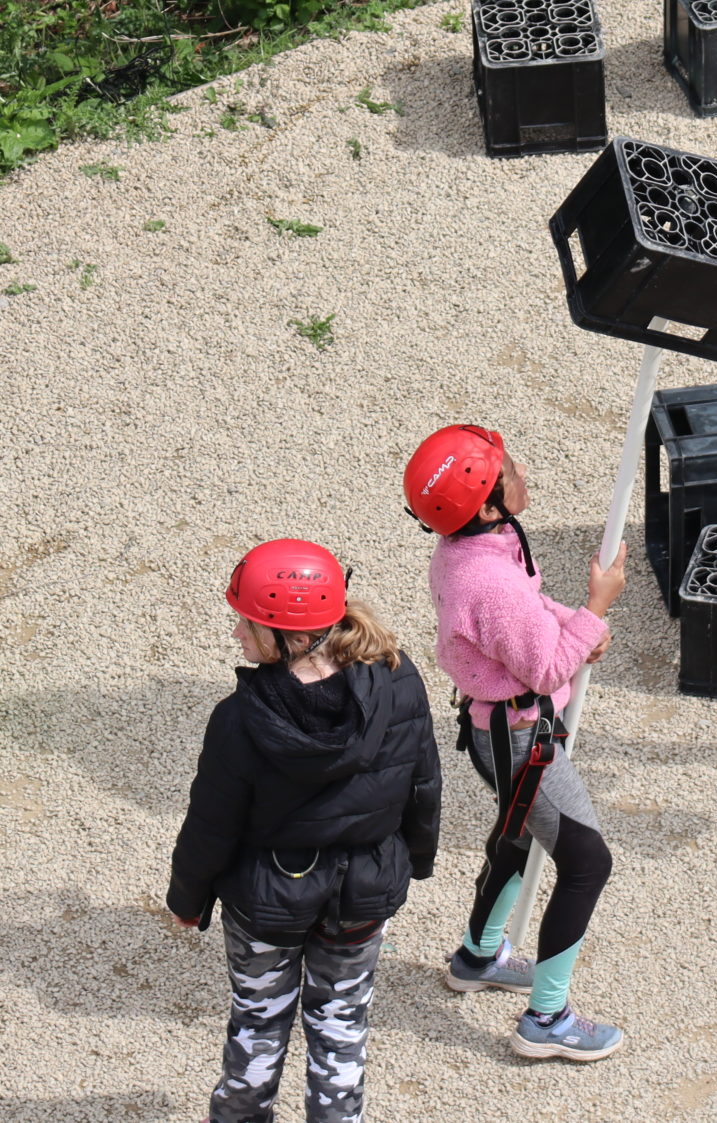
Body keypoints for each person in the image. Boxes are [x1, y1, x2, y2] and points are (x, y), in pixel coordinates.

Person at [164, 540, 440, 1123]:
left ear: (288, 635)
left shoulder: (240, 718)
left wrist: (188, 901)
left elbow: (211, 826)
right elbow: (422, 783)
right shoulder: (398, 680)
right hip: (362, 894)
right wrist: (414, 861)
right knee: (342, 1029)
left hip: (267, 899)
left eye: (248, 622)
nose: (237, 632)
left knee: (258, 1025)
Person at [405, 424, 626, 1061]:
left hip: (496, 730)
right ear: (486, 507)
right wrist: (594, 610)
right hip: (523, 739)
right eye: (506, 472)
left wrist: (572, 625)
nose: (521, 471)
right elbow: (547, 667)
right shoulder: (489, 582)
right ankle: (546, 1020)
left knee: (519, 834)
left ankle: (479, 956)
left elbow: (529, 617)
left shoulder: (467, 549)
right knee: (587, 864)